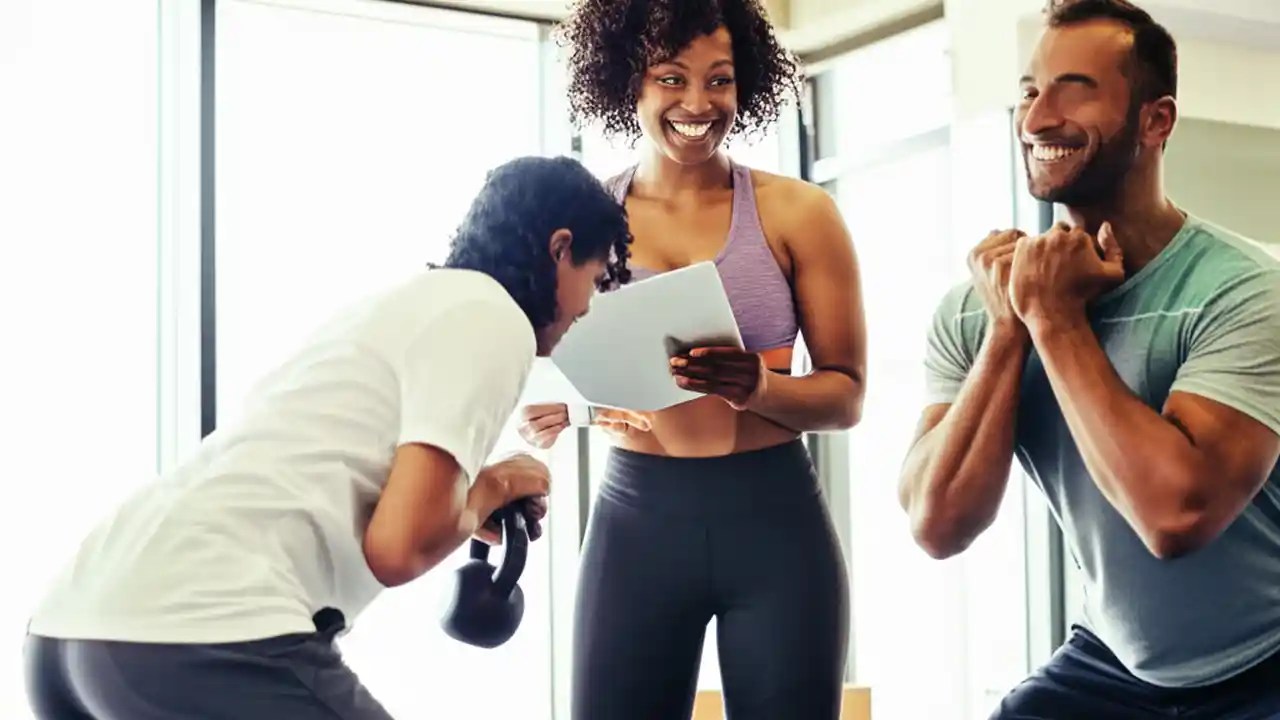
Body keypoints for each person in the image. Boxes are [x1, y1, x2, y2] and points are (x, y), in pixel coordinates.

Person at [23, 155, 632, 720]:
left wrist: (468, 505)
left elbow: (355, 488)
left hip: (70, 634)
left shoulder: (411, 305)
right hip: (196, 628)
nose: (586, 308)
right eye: (595, 277)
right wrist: (496, 483)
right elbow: (399, 549)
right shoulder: (496, 316)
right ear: (560, 249)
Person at [899, 1, 1280, 718]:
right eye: (1029, 92)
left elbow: (1177, 516)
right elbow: (938, 523)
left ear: (1155, 121)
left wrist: (1054, 320)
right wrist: (1009, 329)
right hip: (1112, 664)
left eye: (1074, 90)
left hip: (1264, 660)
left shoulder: (1243, 291)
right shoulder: (979, 309)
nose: (1038, 119)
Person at [520, 2, 868, 718]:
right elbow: (543, 360)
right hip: (636, 525)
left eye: (720, 79)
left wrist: (759, 386)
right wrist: (553, 413)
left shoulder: (799, 214)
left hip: (776, 525)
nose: (698, 104)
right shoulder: (583, 222)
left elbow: (846, 397)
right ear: (629, 80)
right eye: (671, 78)